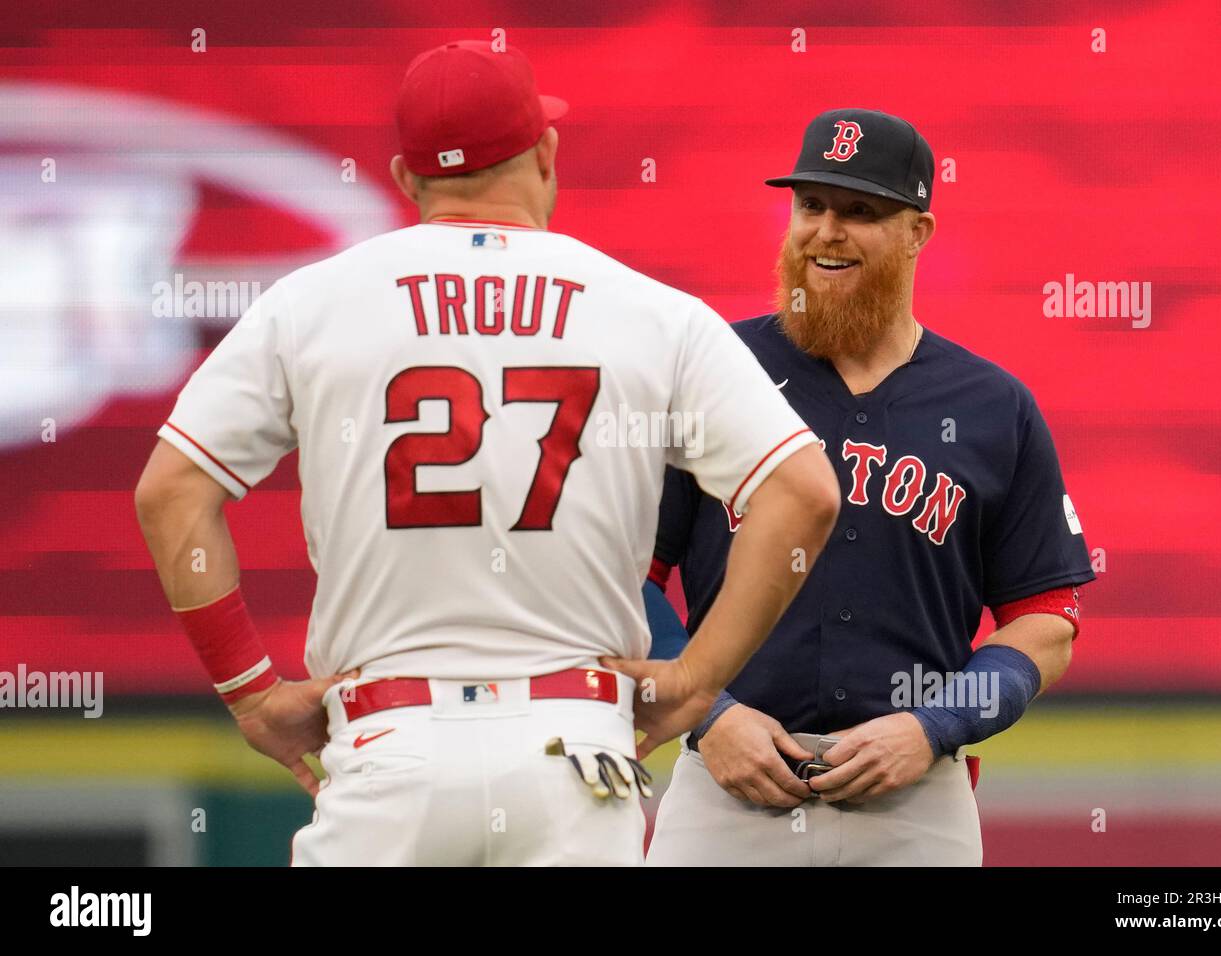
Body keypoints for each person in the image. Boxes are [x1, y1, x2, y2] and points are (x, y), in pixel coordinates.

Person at [134, 41, 839, 867]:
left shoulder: (311, 303)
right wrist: (696, 680)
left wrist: (249, 691)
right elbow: (805, 493)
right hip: (575, 752)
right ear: (545, 152)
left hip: (388, 749)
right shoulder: (653, 312)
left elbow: (172, 491)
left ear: (405, 177)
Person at [644, 109, 1095, 866]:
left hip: (915, 798)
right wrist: (709, 713)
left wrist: (933, 727)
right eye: (811, 205)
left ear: (918, 232)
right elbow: (623, 582)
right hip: (727, 786)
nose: (826, 231)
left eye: (861, 211)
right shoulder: (710, 373)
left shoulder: (992, 405)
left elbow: (1047, 620)